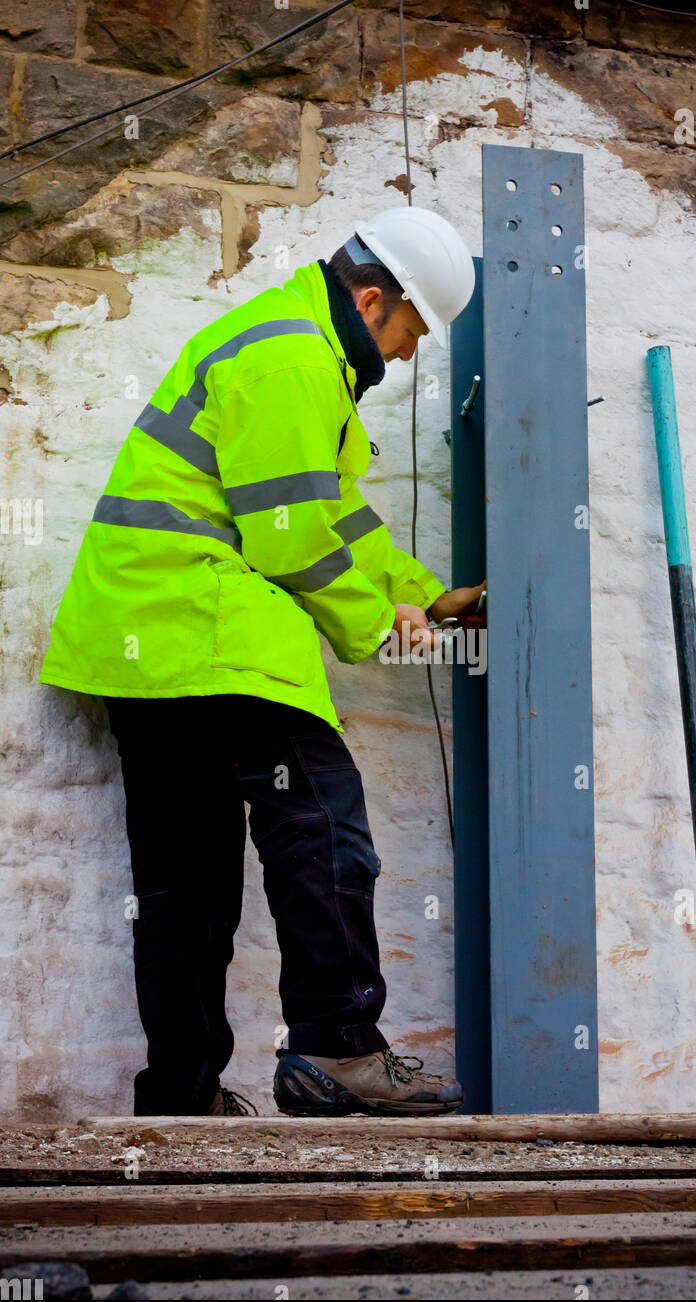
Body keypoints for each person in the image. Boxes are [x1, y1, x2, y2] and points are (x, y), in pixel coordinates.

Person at [39, 205, 483, 1117]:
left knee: (187, 884)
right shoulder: (293, 360)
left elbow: (332, 518)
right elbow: (289, 541)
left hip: (149, 647)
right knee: (322, 828)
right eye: (409, 333)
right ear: (371, 300)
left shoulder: (287, 345)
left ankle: (181, 1094)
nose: (404, 357)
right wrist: (374, 621)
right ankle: (337, 1047)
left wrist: (423, 592)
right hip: (207, 624)